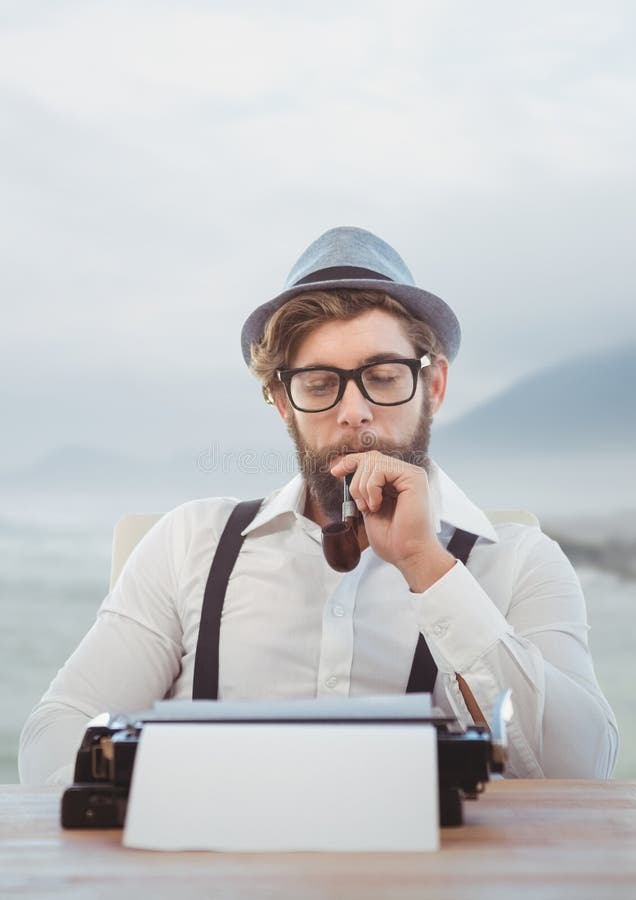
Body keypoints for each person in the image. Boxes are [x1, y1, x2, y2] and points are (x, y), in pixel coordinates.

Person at [19, 226, 618, 785]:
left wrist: (427, 568)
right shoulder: (187, 544)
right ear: (283, 403)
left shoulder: (521, 564)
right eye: (320, 384)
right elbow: (51, 745)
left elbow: (582, 772)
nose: (353, 411)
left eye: (383, 376)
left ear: (432, 388)